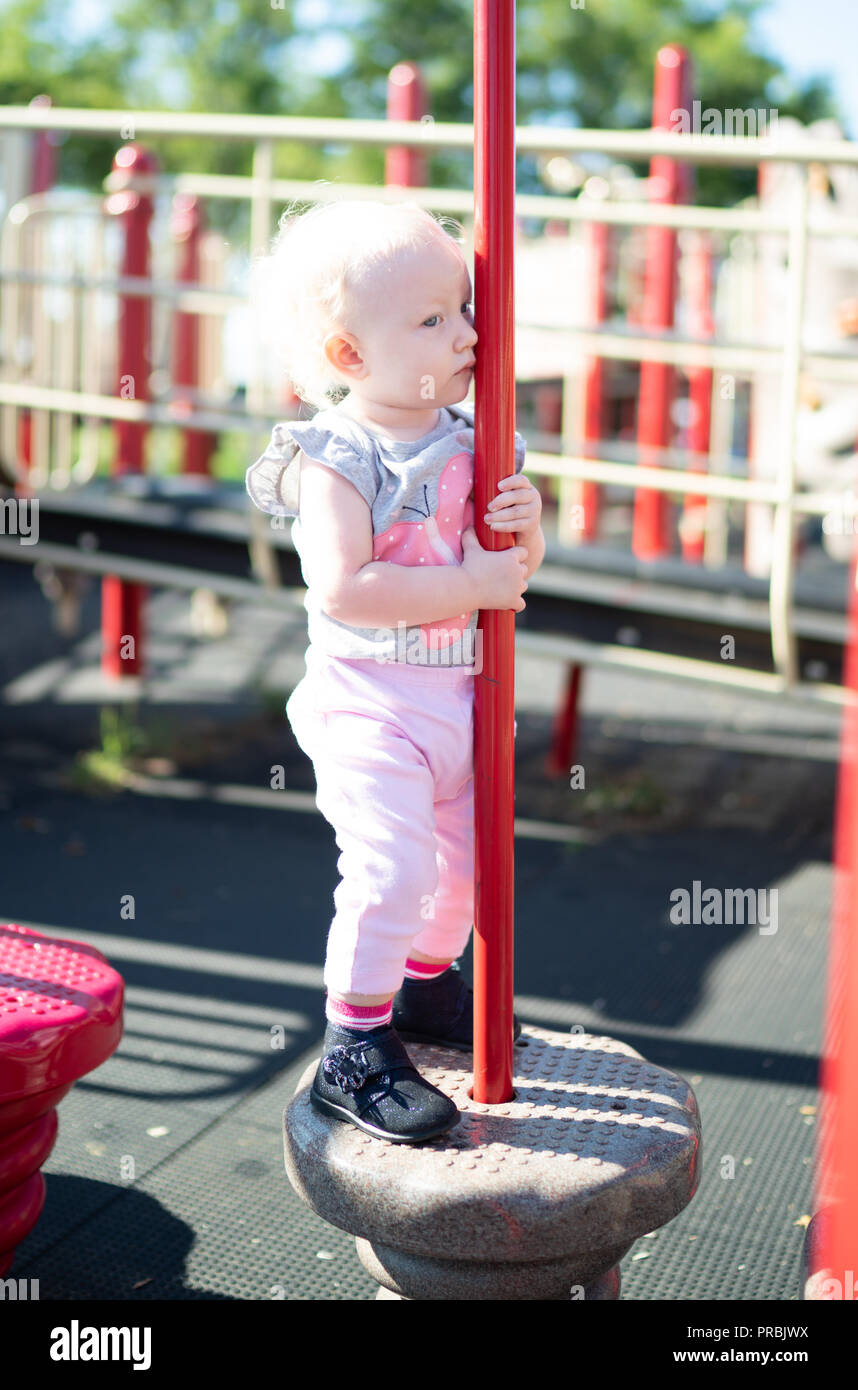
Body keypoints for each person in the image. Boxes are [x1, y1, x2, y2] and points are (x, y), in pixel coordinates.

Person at [245, 196, 546, 1143]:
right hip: (369, 701)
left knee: (459, 873)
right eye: (433, 319)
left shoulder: (472, 434)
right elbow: (346, 588)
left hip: (457, 691)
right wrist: (477, 578)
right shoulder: (339, 456)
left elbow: (512, 570)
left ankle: (423, 988)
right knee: (392, 868)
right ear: (348, 357)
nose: (466, 333)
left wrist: (526, 531)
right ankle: (352, 1046)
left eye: (463, 308)